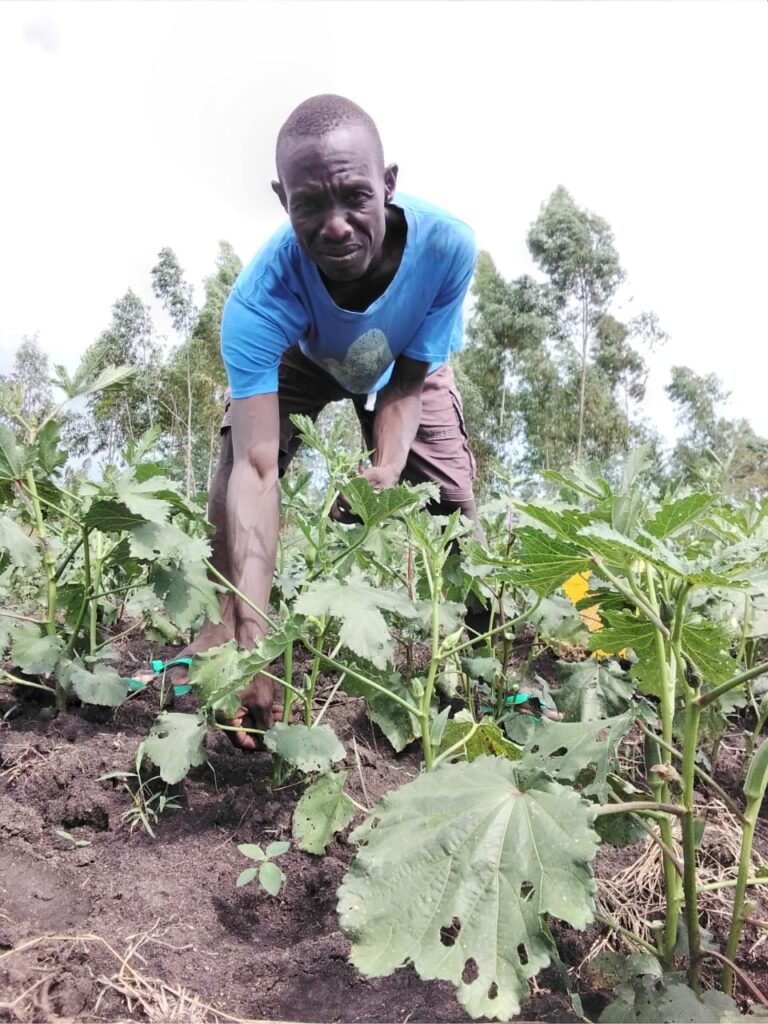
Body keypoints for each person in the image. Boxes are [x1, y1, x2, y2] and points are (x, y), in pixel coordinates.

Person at [170, 94, 481, 748]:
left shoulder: (446, 247)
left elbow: (408, 376)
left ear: (389, 184)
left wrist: (387, 470)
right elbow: (257, 472)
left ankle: (474, 658)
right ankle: (229, 629)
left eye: (355, 198)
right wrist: (259, 647)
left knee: (451, 500)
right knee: (233, 468)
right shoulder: (260, 301)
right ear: (282, 198)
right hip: (304, 356)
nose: (335, 226)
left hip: (401, 362)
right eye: (309, 204)